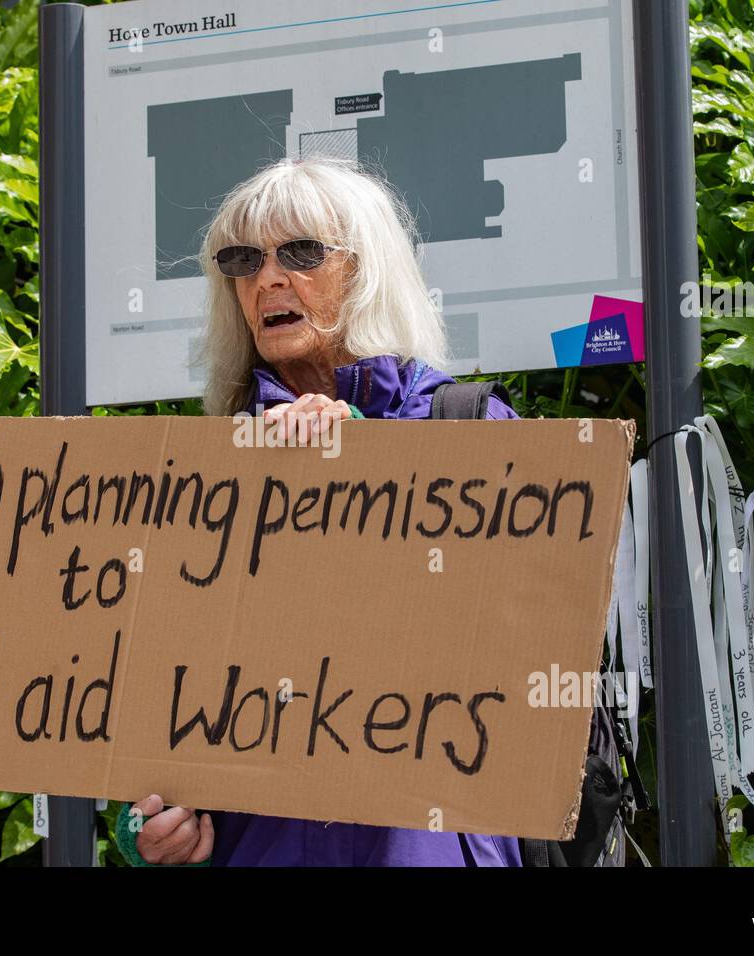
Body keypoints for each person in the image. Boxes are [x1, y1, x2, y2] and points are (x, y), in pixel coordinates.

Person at [122, 155, 520, 867]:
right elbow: (162, 685)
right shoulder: (209, 471)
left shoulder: (471, 427)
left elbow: (525, 647)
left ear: (364, 271)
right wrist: (156, 820)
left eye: (301, 253)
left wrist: (357, 472)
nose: (268, 278)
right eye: (244, 260)